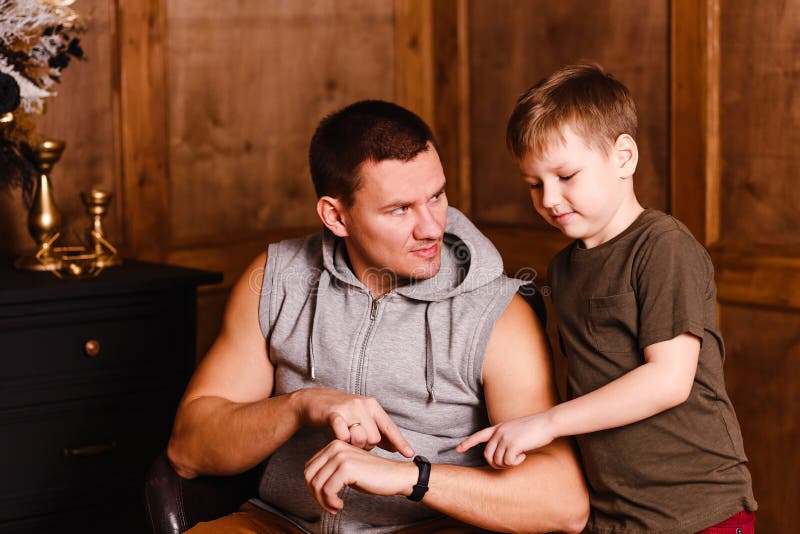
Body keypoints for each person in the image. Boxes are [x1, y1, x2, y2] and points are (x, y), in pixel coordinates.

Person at [167, 100, 589, 533]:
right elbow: (188, 449)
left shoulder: (497, 314)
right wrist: (300, 406)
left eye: (437, 196)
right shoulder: (276, 279)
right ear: (336, 215)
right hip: (283, 524)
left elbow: (564, 502)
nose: (431, 228)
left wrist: (411, 478)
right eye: (400, 209)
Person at [458, 63, 757, 533]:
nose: (549, 199)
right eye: (534, 184)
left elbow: (669, 381)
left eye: (566, 175)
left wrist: (547, 423)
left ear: (623, 157)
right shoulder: (564, 268)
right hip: (615, 514)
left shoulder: (662, 246)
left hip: (696, 510)